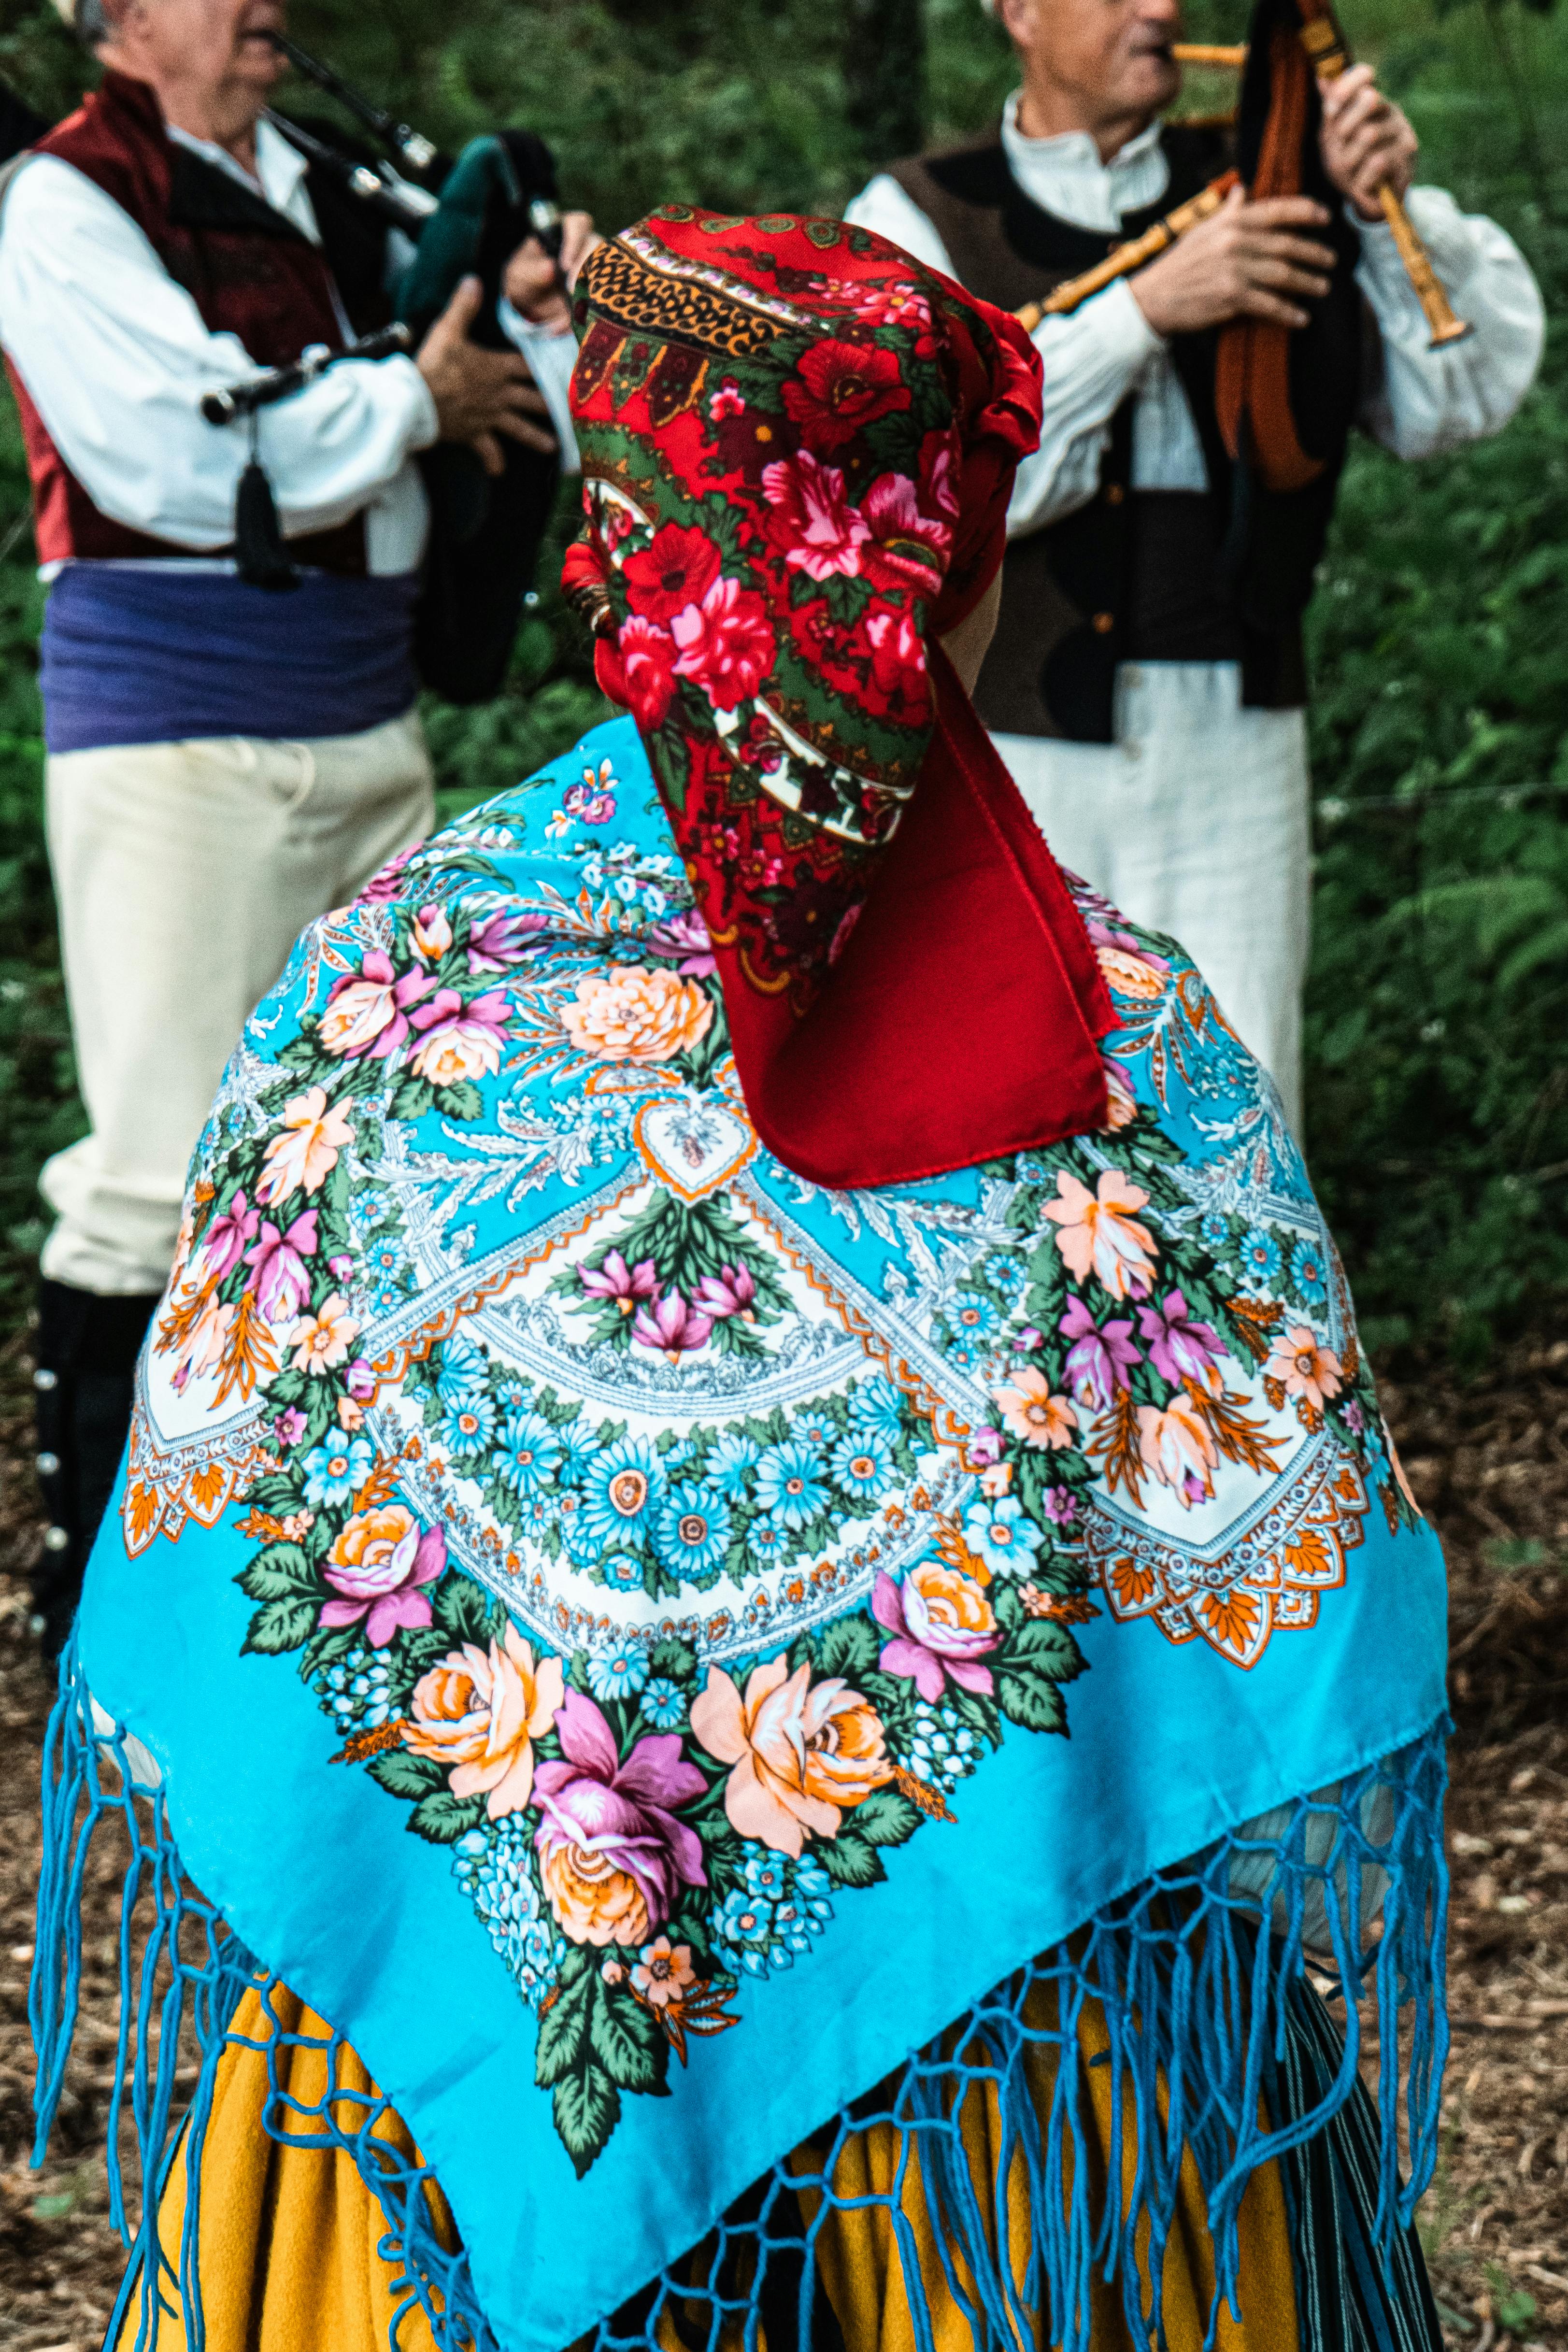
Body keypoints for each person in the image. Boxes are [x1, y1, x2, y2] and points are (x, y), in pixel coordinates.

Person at [33, 210, 1450, 2352]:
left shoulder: (378, 986)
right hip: (1005, 2156)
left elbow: (237, 1496)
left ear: (628, 549)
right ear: (946, 578)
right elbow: (1253, 1545)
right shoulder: (1119, 1037)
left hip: (420, 2112)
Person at [0, 0, 588, 1659]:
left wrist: (531, 320)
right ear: (116, 14)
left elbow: (488, 382)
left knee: (385, 1153)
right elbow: (185, 454)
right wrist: (414, 398)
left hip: (367, 725)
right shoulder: (63, 202)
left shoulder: (328, 183)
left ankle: (342, 1584)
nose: (264, 5)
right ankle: (105, 1609)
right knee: (159, 1166)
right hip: (178, 743)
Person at [844, 0, 1542, 1136]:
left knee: (1243, 1099)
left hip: (1236, 744)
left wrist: (1382, 209)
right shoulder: (916, 214)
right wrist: (1143, 313)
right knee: (1021, 1110)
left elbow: (1458, 401)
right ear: (1019, 11)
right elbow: (907, 487)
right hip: (1009, 755)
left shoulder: (1273, 172)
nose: (1161, 7)